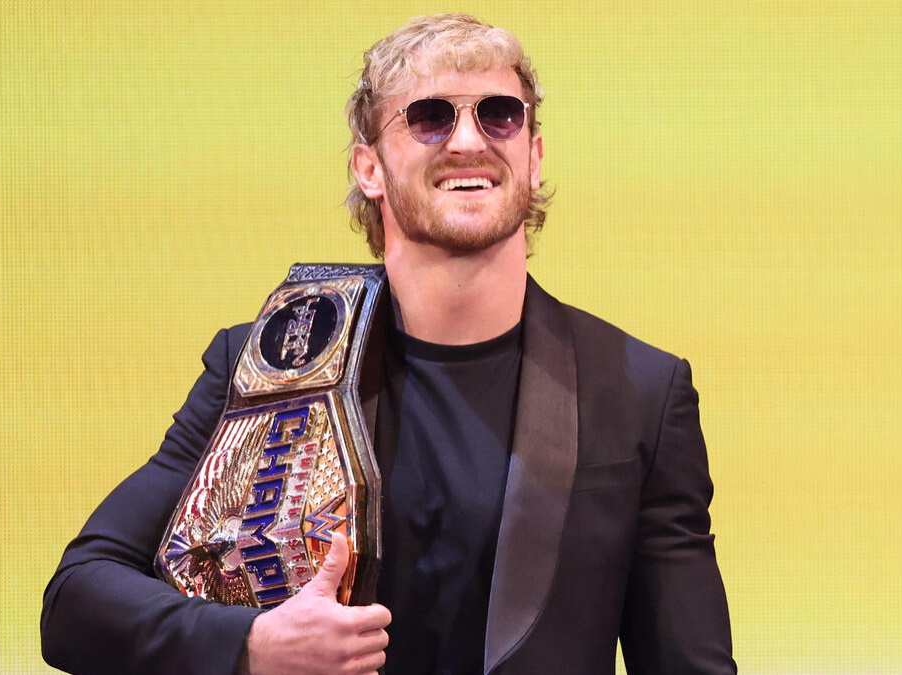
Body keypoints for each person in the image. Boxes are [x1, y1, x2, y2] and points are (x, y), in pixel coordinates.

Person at [41, 13, 736, 675]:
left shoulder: (640, 391)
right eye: (431, 118)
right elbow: (78, 597)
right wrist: (251, 645)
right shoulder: (267, 366)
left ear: (533, 154)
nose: (468, 141)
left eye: (499, 114)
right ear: (368, 167)